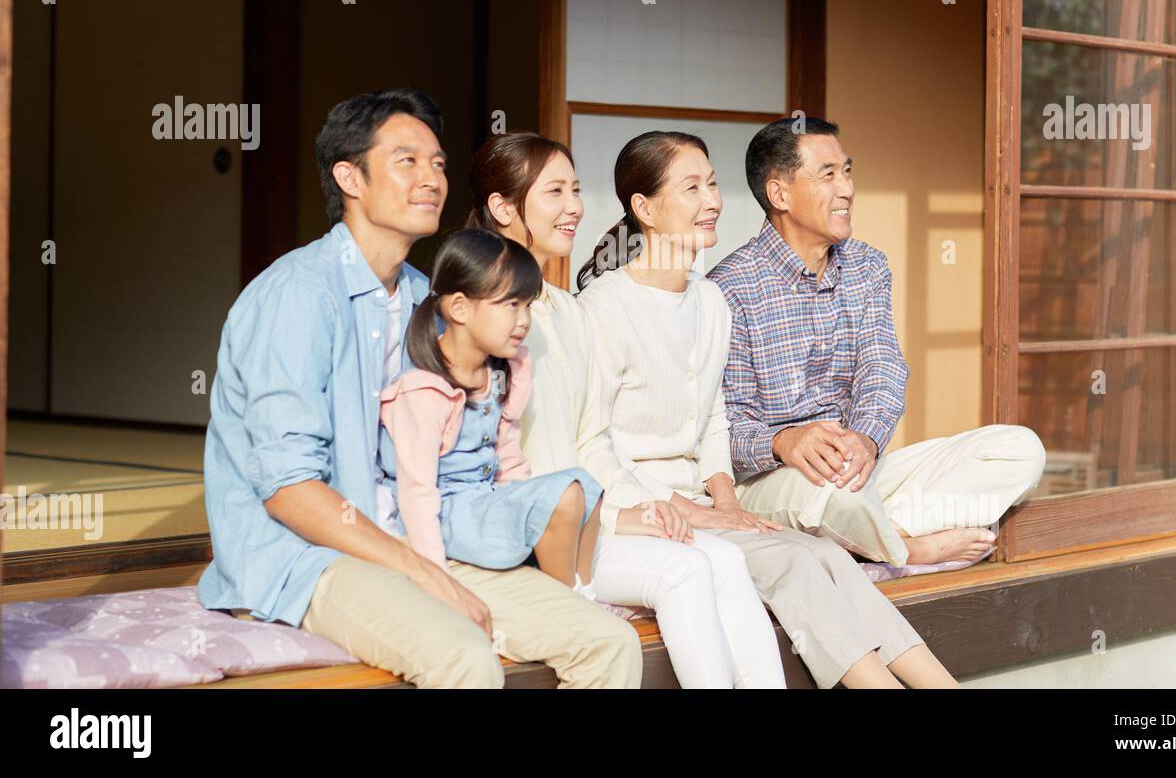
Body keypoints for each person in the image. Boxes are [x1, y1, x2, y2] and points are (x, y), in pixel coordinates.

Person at [199, 89, 640, 688]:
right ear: (348, 177)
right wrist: (424, 570)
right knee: (462, 656)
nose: (431, 177)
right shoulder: (297, 296)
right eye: (406, 161)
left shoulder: (421, 297)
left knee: (608, 643)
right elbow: (289, 490)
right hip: (308, 556)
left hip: (419, 534)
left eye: (436, 163)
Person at [576, 129, 958, 688]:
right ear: (645, 208)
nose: (713, 200)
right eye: (692, 188)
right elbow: (592, 445)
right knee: (796, 560)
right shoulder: (605, 306)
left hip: (707, 500)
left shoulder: (708, 299)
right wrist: (695, 510)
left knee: (822, 555)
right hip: (643, 514)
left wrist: (725, 500)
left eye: (712, 183)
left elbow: (712, 419)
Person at [466, 132, 785, 688]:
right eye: (555, 192)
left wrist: (642, 508)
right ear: (502, 207)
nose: (575, 208)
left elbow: (594, 442)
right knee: (686, 569)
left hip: (590, 520)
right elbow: (499, 462)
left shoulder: (566, 311)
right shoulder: (479, 315)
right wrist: (618, 516)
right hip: (536, 533)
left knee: (725, 561)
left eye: (576, 189)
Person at [707, 117, 1047, 567]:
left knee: (1018, 449)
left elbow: (882, 370)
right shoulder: (728, 288)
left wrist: (865, 440)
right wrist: (784, 441)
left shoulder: (867, 266)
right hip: (778, 480)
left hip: (857, 466)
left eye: (847, 171)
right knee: (836, 499)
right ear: (779, 195)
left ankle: (876, 533)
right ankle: (909, 549)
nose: (846, 189)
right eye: (828, 175)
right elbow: (721, 426)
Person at [380, 227, 607, 601]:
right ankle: (565, 598)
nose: (523, 320)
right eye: (510, 305)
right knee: (565, 495)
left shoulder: (503, 371)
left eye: (527, 305)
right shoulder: (424, 390)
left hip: (488, 502)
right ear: (459, 308)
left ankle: (586, 591)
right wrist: (436, 577)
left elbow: (509, 458)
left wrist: (522, 503)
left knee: (587, 488)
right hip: (450, 516)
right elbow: (417, 493)